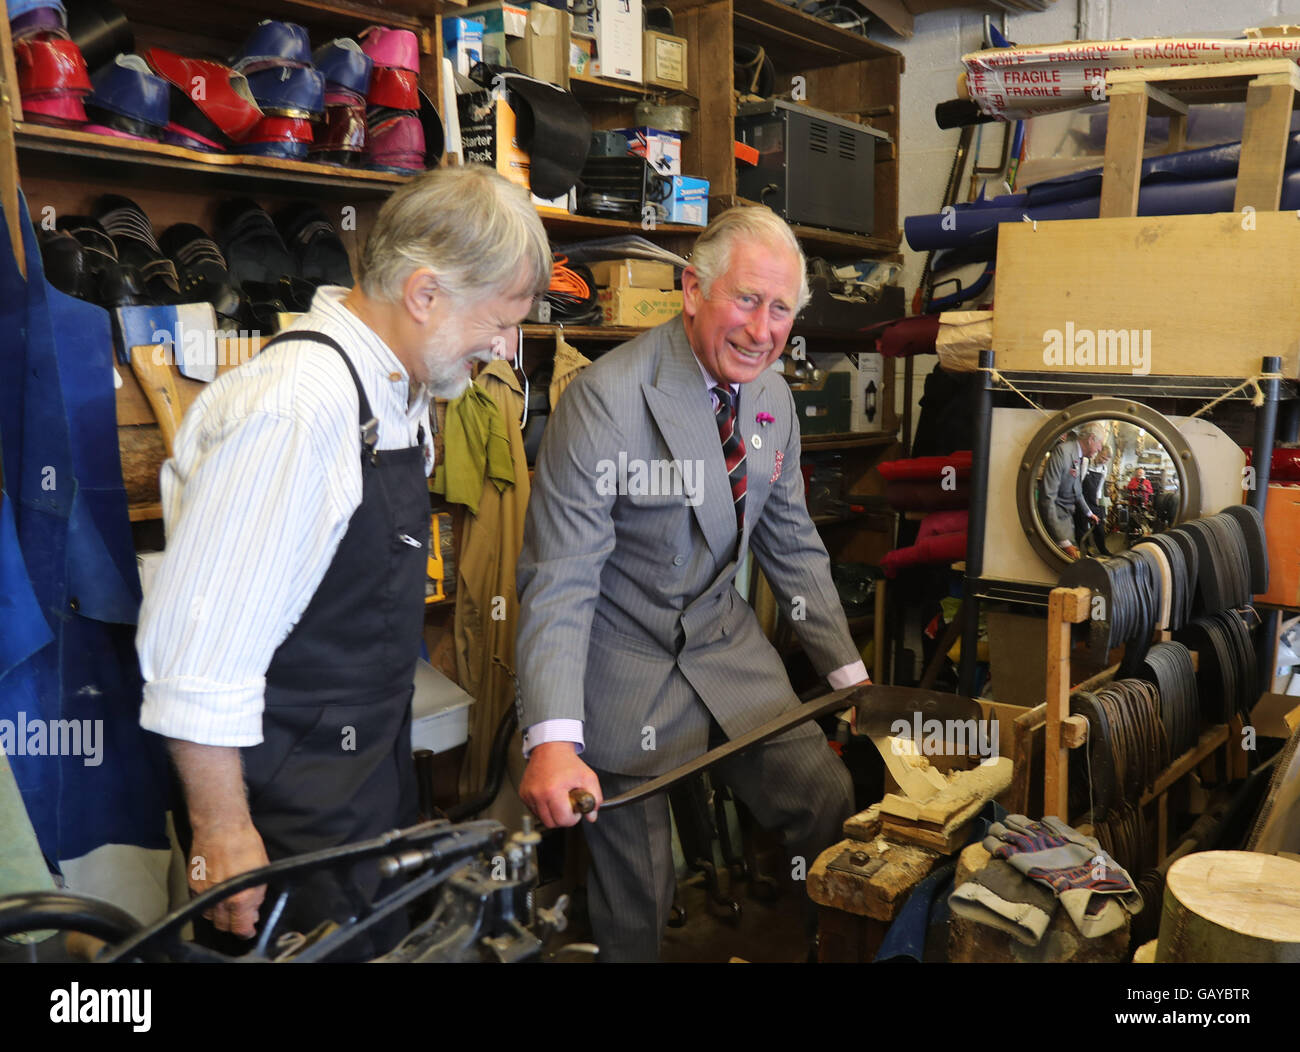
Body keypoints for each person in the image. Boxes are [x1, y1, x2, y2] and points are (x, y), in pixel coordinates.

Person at [136, 166, 551, 955]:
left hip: (361, 780)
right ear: (425, 294)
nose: (503, 348)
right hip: (285, 805)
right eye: (499, 322)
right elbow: (197, 654)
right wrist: (222, 833)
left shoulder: (393, 390)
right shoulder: (297, 409)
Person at [514, 206, 869, 962]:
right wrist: (551, 739)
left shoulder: (771, 399)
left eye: (780, 309)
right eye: (746, 300)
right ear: (692, 290)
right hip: (621, 656)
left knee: (824, 797)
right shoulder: (604, 401)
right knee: (639, 896)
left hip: (720, 640)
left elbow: (791, 540)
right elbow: (561, 580)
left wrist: (848, 675)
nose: (761, 329)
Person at [1038, 423, 1104, 560]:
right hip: (1056, 527)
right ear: (1091, 438)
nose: (1100, 448)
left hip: (1067, 524)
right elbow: (1047, 498)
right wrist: (1062, 540)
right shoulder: (1063, 452)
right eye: (1100, 443)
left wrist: (1088, 513)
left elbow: (1077, 490)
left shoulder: (1078, 456)